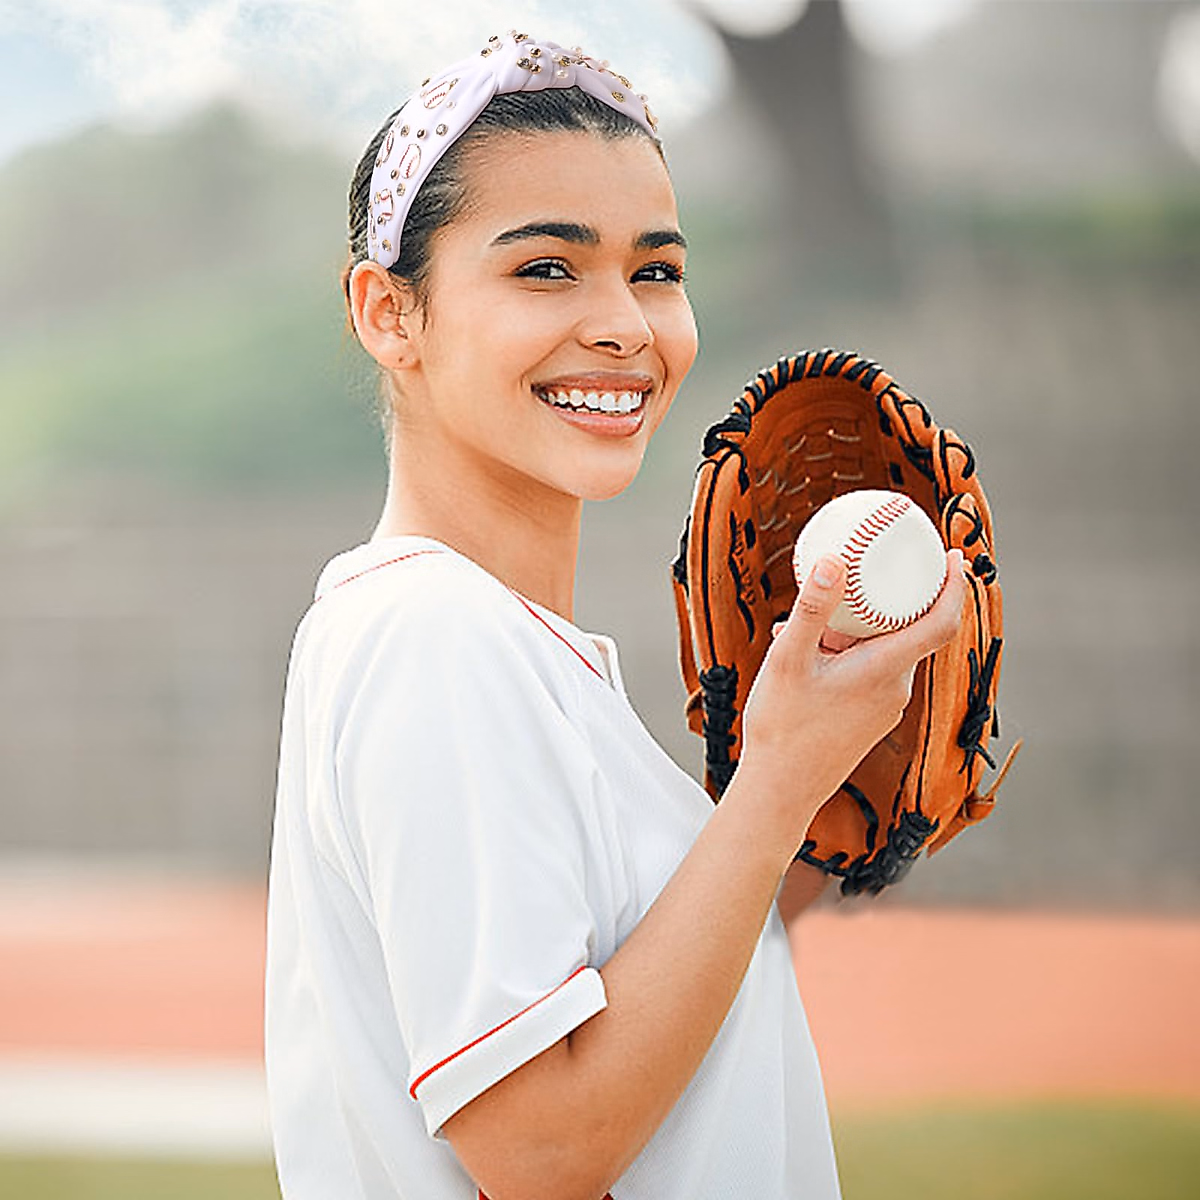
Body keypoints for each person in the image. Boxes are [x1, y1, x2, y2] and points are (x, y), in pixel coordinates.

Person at [264, 29, 965, 1200]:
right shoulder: (433, 639)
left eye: (656, 268)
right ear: (390, 314)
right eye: (546, 268)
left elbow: (660, 1004)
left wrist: (819, 795)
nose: (627, 325)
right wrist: (780, 778)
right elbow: (540, 1148)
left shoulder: (501, 649)